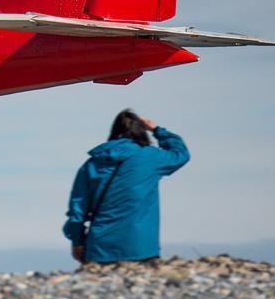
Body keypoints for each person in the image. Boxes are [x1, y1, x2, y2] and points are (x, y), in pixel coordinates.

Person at [63, 110, 190, 265]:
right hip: (141, 249)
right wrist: (157, 129)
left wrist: (77, 242)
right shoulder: (151, 157)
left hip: (100, 249)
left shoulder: (92, 164)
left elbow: (77, 209)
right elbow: (181, 154)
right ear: (141, 132)